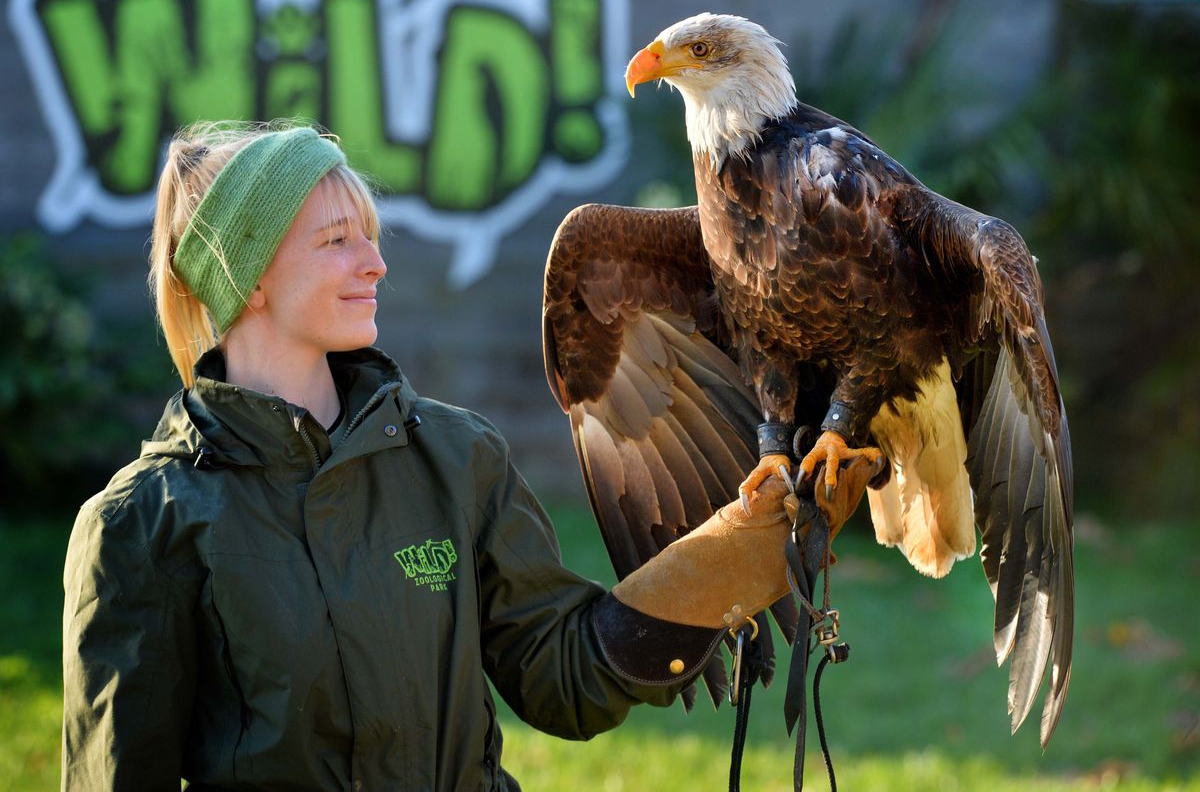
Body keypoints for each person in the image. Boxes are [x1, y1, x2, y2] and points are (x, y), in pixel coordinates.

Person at [61, 121, 797, 791]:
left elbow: (560, 676)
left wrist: (732, 557)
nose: (375, 263)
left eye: (370, 236)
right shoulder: (141, 525)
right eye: (337, 240)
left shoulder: (455, 456)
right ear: (248, 276)